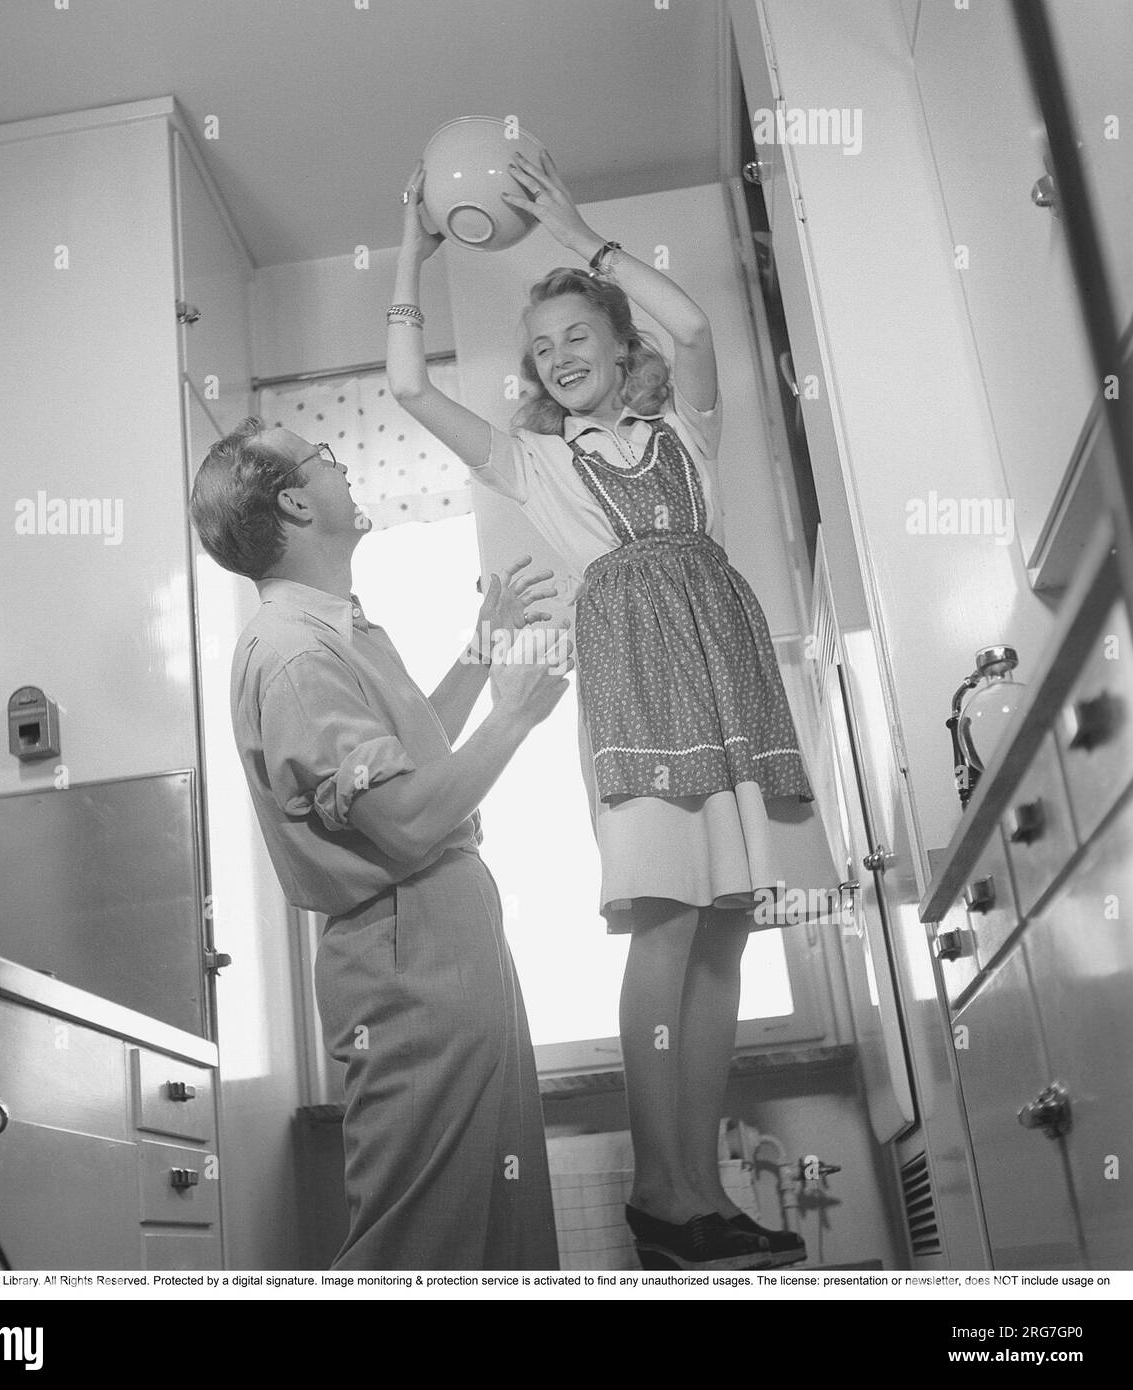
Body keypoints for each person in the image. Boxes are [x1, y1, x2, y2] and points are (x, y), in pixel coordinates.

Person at [388, 153, 832, 1270]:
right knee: (669, 920)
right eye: (540, 350)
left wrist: (576, 233)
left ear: (614, 339)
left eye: (575, 334)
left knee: (730, 922)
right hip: (636, 682)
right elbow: (405, 388)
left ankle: (698, 1193)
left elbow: (689, 327)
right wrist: (409, 246)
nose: (555, 356)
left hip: (730, 673)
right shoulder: (533, 461)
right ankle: (657, 1188)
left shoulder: (687, 426)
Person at [189, 418, 568, 1270]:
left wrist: (481, 648)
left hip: (440, 937)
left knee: (491, 1216)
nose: (340, 464)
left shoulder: (332, 628)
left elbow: (407, 759)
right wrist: (513, 715)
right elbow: (402, 823)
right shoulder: (291, 651)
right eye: (321, 457)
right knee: (418, 1234)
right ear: (292, 499)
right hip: (408, 946)